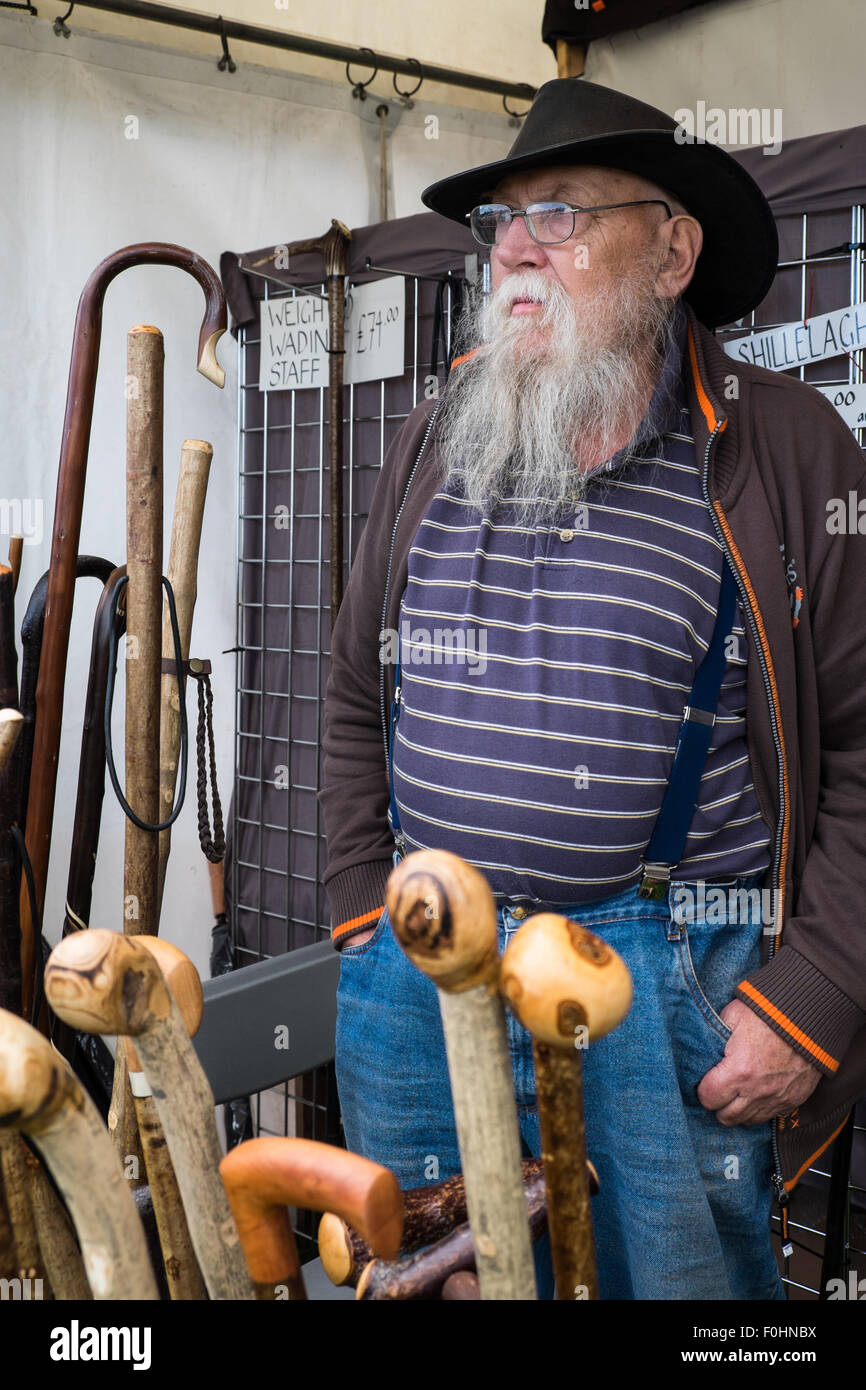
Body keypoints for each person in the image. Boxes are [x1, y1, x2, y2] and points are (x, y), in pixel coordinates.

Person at [320, 78, 866, 1299]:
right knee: (430, 1286)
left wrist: (816, 990)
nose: (513, 248)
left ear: (672, 249)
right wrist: (364, 920)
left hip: (658, 985)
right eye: (500, 222)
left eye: (558, 214)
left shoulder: (785, 449)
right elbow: (355, 684)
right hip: (415, 976)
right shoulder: (435, 429)